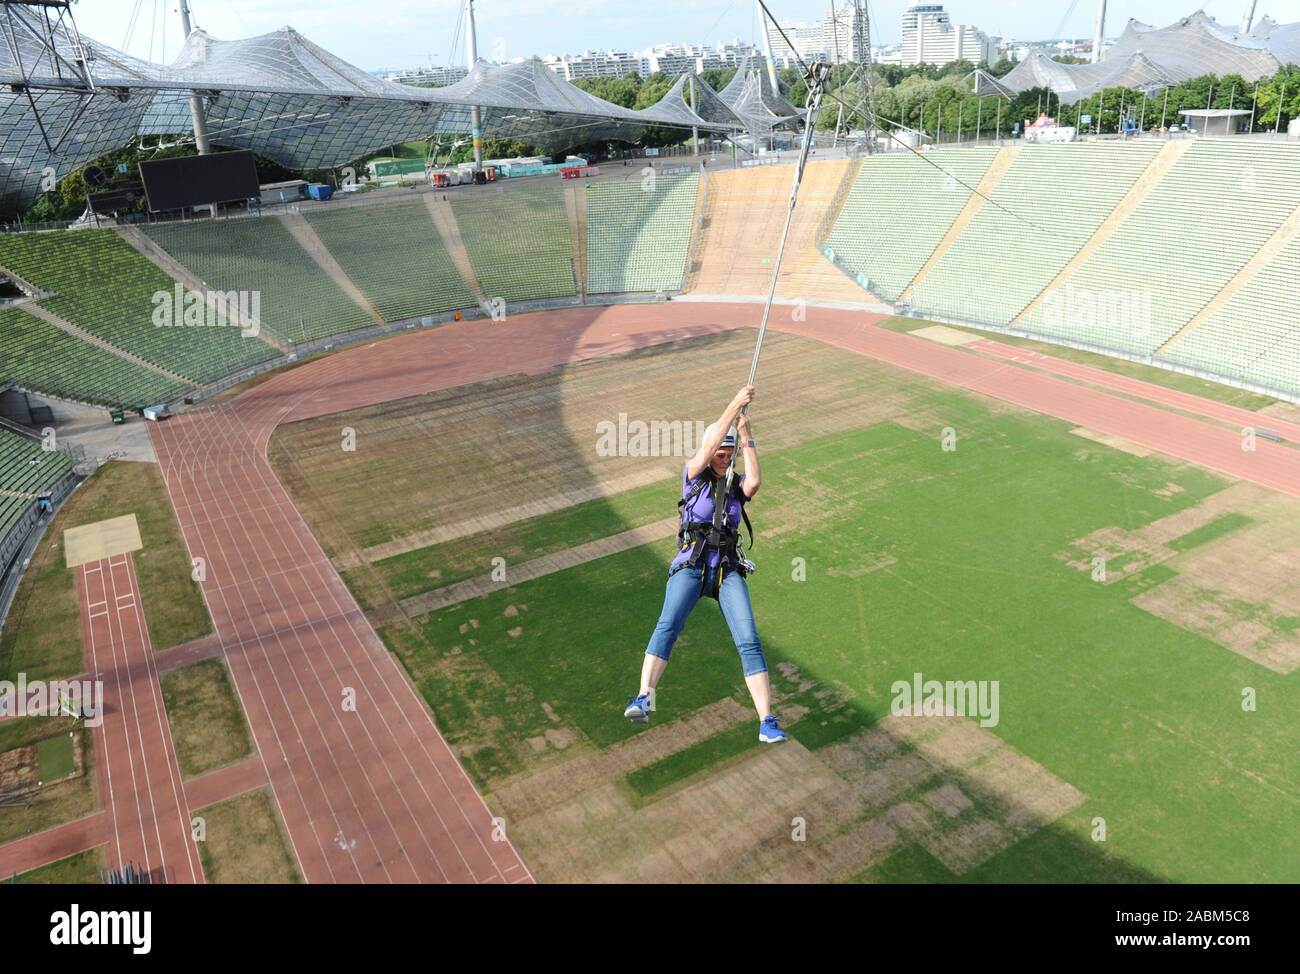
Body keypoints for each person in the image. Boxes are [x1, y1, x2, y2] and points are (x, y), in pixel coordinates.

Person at [623, 385, 786, 743]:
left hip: (727, 570)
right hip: (691, 566)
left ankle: (766, 720)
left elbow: (756, 481)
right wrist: (733, 404)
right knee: (668, 625)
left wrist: (747, 436)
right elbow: (708, 447)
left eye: (729, 454)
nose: (724, 458)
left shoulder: (736, 484)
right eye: (721, 452)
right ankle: (644, 697)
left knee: (750, 641)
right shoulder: (693, 476)